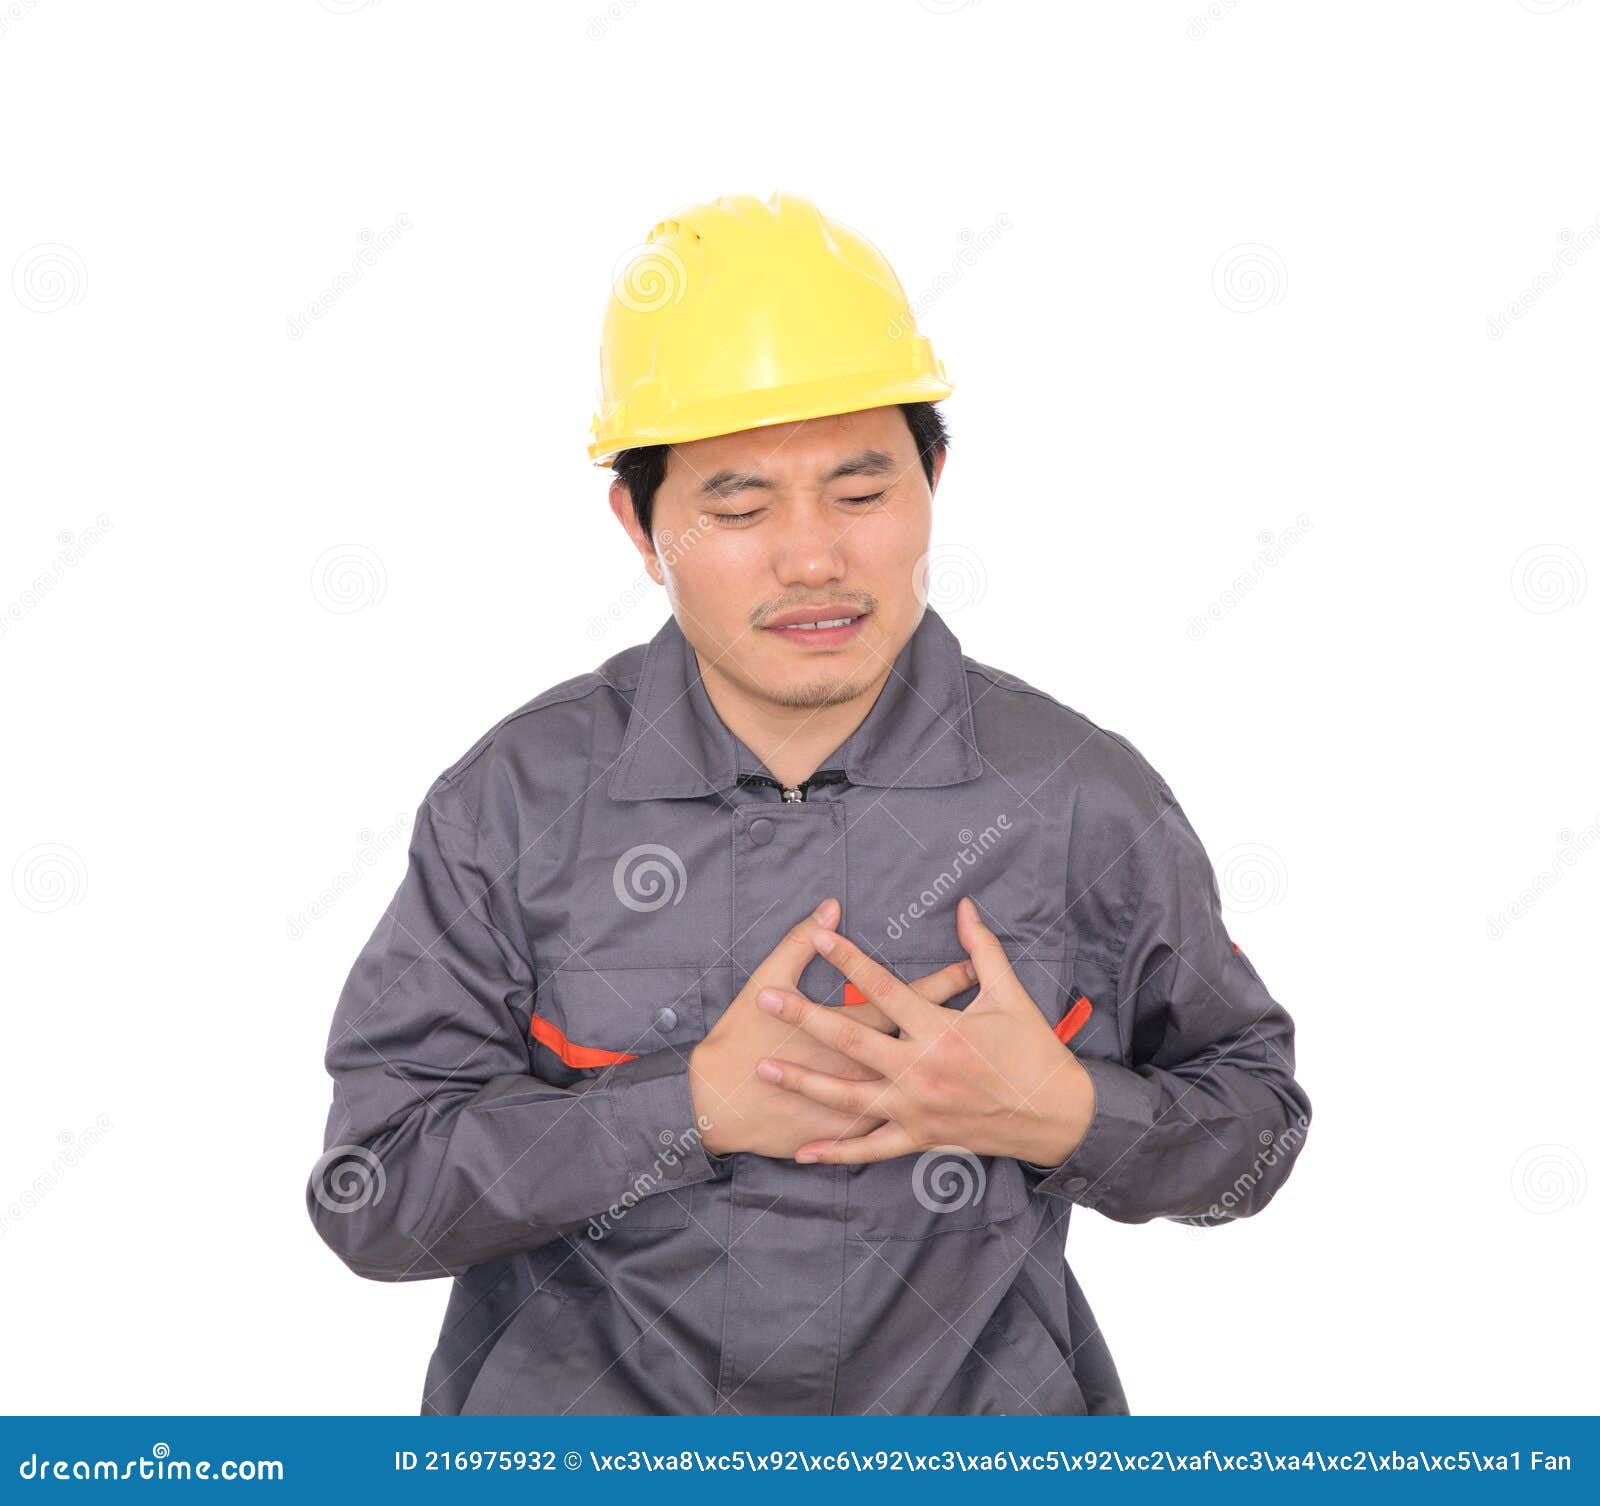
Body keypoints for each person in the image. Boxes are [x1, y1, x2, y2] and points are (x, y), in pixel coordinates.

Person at [307, 190, 1312, 1416]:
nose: (812, 559)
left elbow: (1255, 1139)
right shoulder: (515, 804)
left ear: (933, 479)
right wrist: (683, 1110)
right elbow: (373, 1198)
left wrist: (1064, 1113)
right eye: (737, 505)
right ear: (641, 522)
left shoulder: (1074, 798)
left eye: (861, 489)